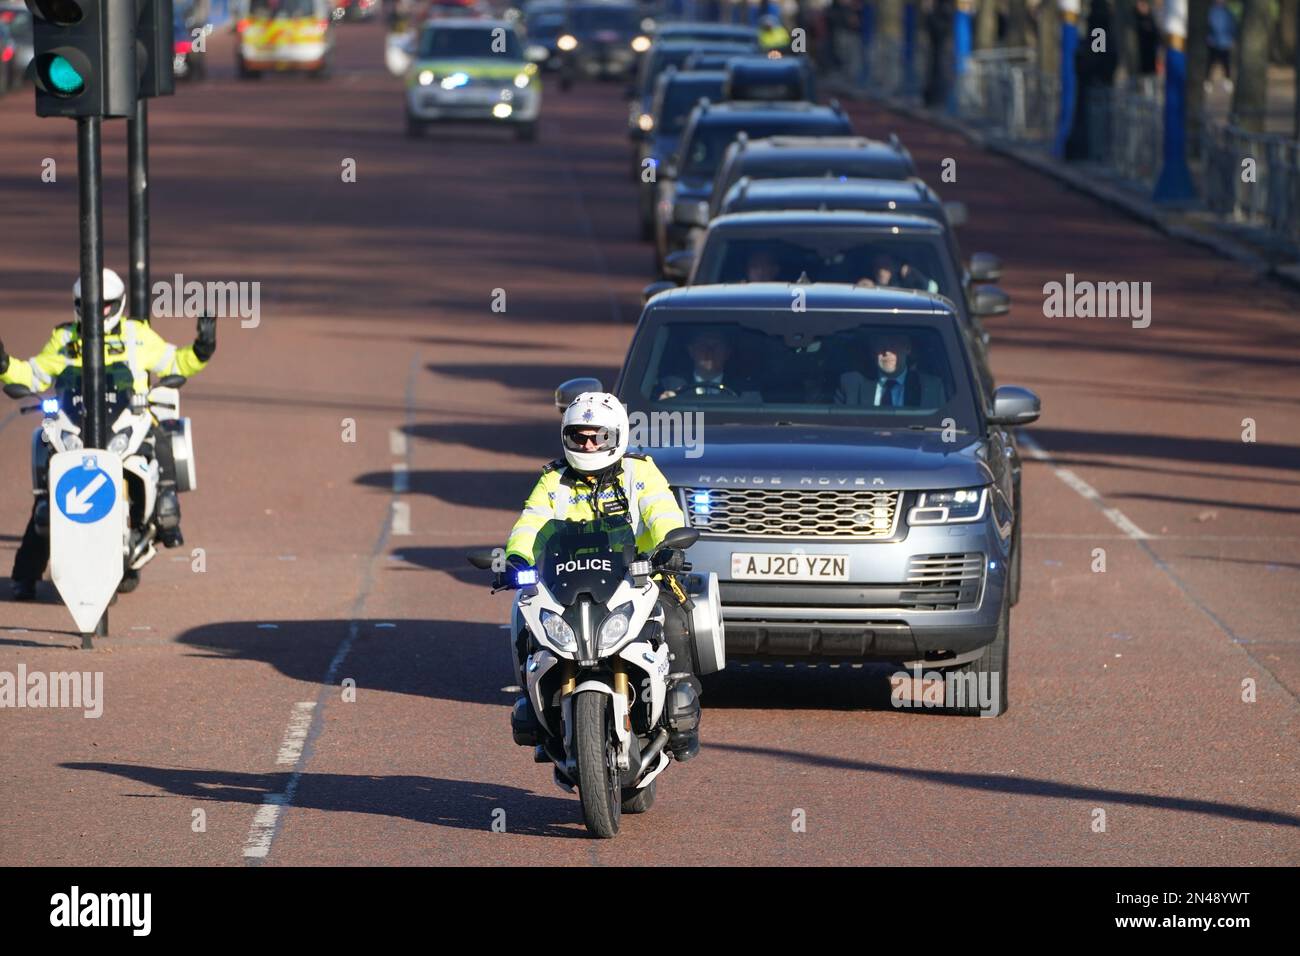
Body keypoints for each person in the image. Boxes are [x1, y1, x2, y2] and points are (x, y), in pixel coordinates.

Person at [504, 391, 702, 761]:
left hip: (637, 575)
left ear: (617, 436)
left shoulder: (639, 471)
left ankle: (680, 713)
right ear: (567, 437)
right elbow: (530, 521)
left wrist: (667, 546)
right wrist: (516, 556)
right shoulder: (553, 480)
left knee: (673, 616)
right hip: (567, 582)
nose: (589, 444)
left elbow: (661, 510)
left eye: (599, 436)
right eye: (580, 437)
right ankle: (532, 706)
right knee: (523, 611)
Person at [0, 268, 216, 601]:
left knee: (161, 438)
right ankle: (25, 575)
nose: (96, 312)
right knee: (46, 493)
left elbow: (175, 363)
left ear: (117, 305)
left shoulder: (137, 335)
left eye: (103, 305)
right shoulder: (65, 338)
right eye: (88, 305)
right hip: (76, 424)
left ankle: (168, 516)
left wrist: (202, 348)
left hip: (128, 419)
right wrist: (3, 364)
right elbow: (33, 374)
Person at [835, 332, 944, 407]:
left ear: (907, 348)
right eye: (881, 345)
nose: (887, 351)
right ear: (873, 350)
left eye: (894, 344)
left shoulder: (932, 388)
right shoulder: (850, 384)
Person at [655, 327, 757, 400]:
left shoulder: (745, 391)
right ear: (691, 351)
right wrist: (664, 405)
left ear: (727, 352)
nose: (709, 351)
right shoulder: (670, 385)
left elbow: (757, 423)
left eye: (716, 346)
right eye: (703, 345)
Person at [855, 251, 938, 293]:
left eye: (886, 266)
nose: (881, 271)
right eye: (877, 266)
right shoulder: (867, 285)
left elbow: (933, 289)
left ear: (893, 267)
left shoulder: (905, 287)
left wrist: (914, 274)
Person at [1206, 0, 1236, 94]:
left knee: (1226, 63)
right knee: (1211, 63)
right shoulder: (1211, 11)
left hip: (1225, 42)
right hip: (1214, 42)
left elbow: (1232, 26)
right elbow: (1208, 26)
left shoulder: (1228, 12)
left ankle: (1227, 81)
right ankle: (1208, 81)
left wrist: (1232, 38)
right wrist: (1209, 37)